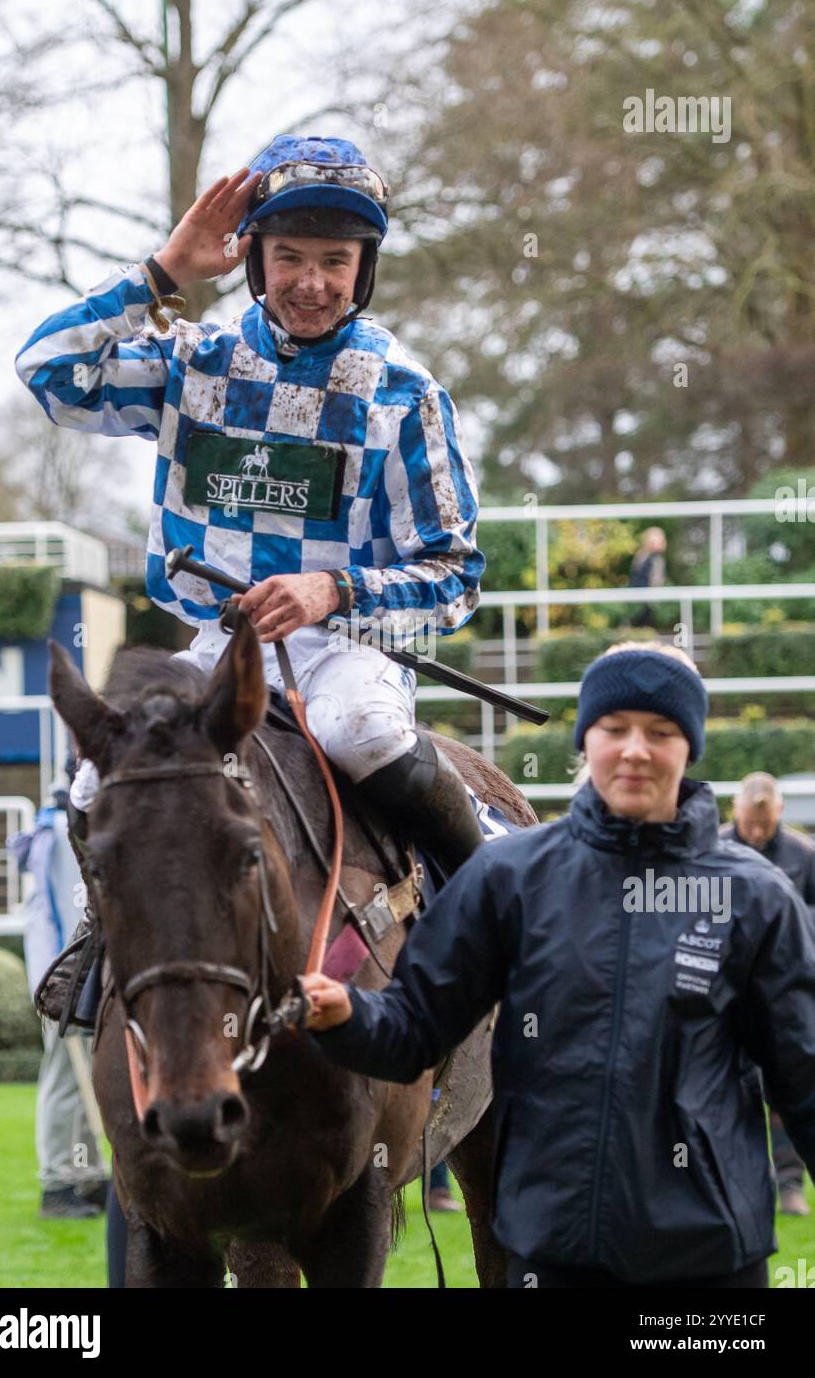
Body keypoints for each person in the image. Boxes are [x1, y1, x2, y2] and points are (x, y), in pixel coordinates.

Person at [15, 135, 499, 1026]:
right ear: (254, 261)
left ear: (365, 269)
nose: (311, 281)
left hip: (350, 647)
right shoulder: (192, 360)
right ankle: (104, 947)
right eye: (289, 258)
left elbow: (457, 574)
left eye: (334, 261)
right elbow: (46, 374)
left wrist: (334, 590)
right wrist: (161, 271)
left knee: (359, 731)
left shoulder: (405, 392)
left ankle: (502, 914)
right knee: (94, 783)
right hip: (220, 645)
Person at [302, 642, 815, 1288]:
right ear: (586, 740)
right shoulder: (508, 878)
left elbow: (806, 1079)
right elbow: (416, 1027)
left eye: (660, 732)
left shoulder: (756, 897)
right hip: (552, 1257)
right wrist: (349, 1016)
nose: (635, 749)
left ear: (690, 748)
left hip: (709, 1267)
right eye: (614, 728)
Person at [7, 773, 109, 1217]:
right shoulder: (58, 836)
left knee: (83, 1076)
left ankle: (86, 1176)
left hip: (65, 979)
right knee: (67, 1081)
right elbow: (74, 916)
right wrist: (69, 987)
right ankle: (58, 1183)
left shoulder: (51, 831)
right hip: (65, 982)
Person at [720, 771, 815, 1217]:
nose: (757, 834)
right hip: (723, 994)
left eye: (766, 825)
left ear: (778, 812)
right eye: (749, 824)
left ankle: (790, 1184)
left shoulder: (803, 854)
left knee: (790, 1081)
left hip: (783, 992)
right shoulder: (712, 850)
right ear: (735, 810)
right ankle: (733, 1185)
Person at [628, 526, 666, 628]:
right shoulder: (641, 556)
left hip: (647, 600)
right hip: (636, 597)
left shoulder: (656, 559)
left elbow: (656, 581)